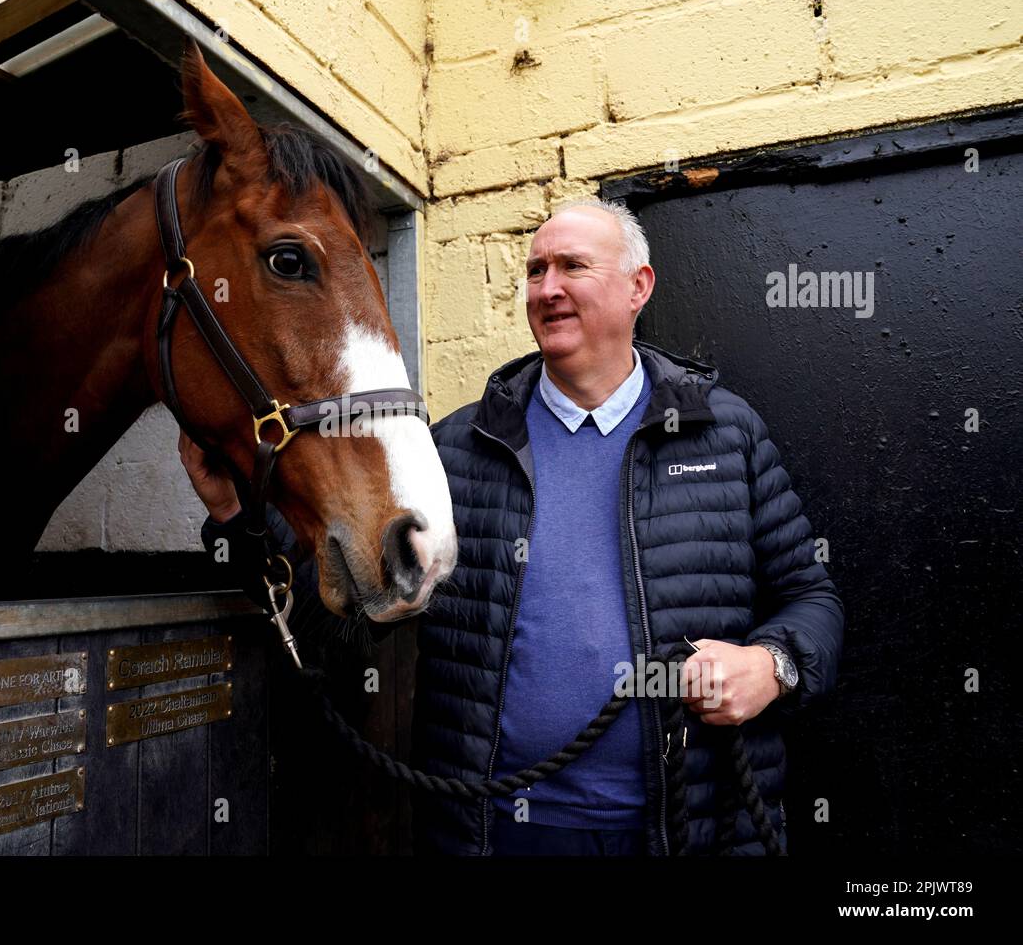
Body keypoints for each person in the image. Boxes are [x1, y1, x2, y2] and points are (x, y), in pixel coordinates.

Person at [179, 198, 844, 856]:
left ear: (637, 287)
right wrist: (236, 515)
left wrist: (773, 664)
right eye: (534, 270)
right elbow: (341, 612)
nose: (547, 288)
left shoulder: (724, 432)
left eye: (571, 267)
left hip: (693, 824)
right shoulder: (459, 449)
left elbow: (812, 597)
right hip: (501, 830)